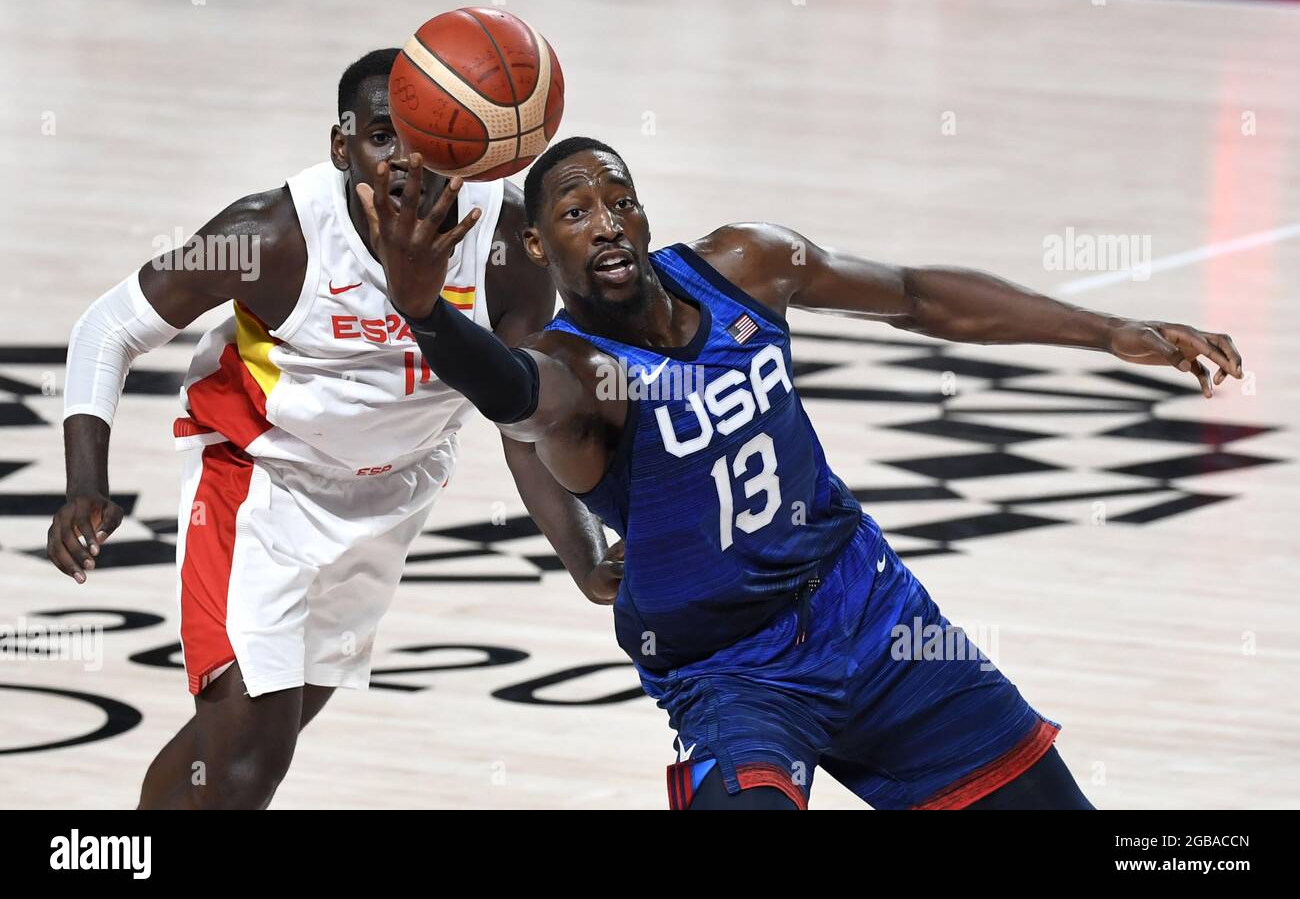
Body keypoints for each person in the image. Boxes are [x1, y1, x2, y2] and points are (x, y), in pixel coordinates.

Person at [357, 136, 1242, 810]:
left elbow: (917, 295)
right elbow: (517, 404)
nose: (607, 221)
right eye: (576, 212)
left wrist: (1107, 332)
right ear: (542, 252)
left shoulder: (745, 263)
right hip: (733, 670)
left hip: (870, 609)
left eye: (618, 200)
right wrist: (426, 312)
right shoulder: (577, 369)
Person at [47, 54, 613, 809]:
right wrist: (85, 481)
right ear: (342, 149)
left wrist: (584, 556)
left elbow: (524, 419)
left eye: (429, 139)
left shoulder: (504, 246)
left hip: (390, 499)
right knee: (248, 763)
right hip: (257, 483)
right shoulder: (274, 236)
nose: (409, 162)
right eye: (384, 136)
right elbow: (108, 327)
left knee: (232, 751)